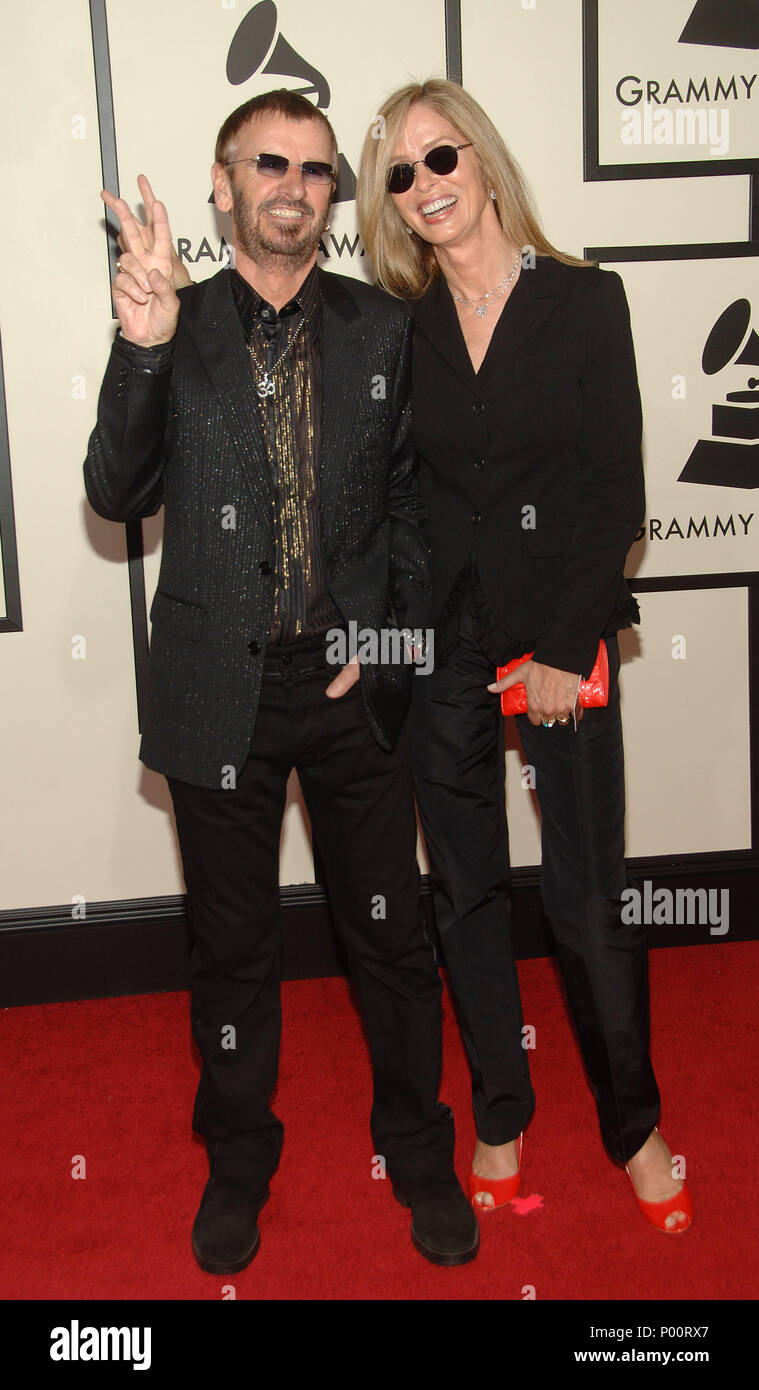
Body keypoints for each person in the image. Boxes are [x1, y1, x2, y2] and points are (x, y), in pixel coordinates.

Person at [83, 89, 480, 1272]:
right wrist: (140, 349)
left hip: (349, 688)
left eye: (317, 171)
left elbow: (413, 509)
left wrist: (393, 632)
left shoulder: (380, 327)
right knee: (234, 948)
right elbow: (116, 490)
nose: (296, 187)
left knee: (391, 938)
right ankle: (239, 1157)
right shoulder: (174, 320)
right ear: (223, 182)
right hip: (218, 688)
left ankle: (418, 1150)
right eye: (271, 164)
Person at [357, 79, 692, 1233]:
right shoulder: (404, 329)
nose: (426, 186)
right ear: (392, 207)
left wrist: (564, 644)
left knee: (589, 898)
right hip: (445, 643)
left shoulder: (588, 302)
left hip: (560, 637)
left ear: (484, 162)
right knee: (464, 892)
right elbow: (398, 494)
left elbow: (617, 493)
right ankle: (501, 1105)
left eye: (439, 157)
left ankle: (635, 1121)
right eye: (400, 176)